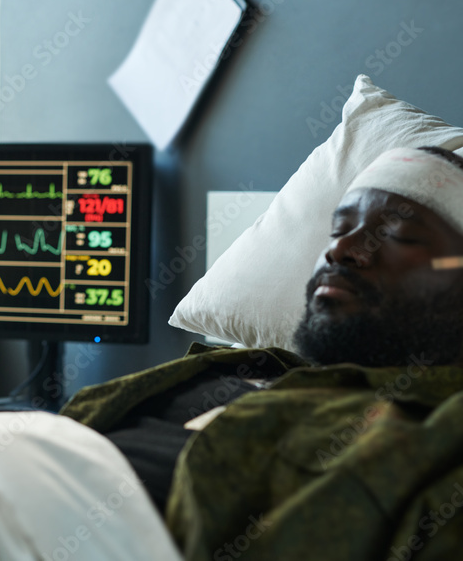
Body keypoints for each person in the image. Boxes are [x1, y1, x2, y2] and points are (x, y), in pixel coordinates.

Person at [61, 145, 463, 560]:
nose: (340, 251)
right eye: (339, 229)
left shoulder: (433, 441)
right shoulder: (246, 367)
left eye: (398, 235)